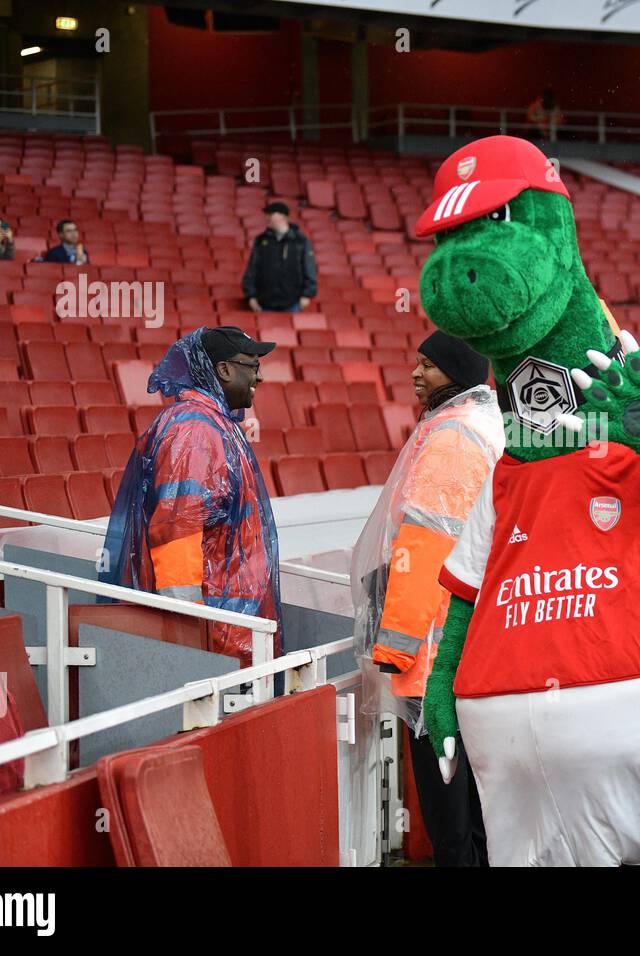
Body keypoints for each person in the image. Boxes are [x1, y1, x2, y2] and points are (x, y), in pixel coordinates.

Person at [350, 331, 503, 866]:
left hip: (435, 658)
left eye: (428, 367)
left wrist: (394, 647)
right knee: (482, 809)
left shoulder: (452, 439)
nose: (416, 374)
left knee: (450, 821)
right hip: (473, 648)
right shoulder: (483, 424)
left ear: (456, 374)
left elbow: (422, 546)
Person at [100, 326, 283, 664]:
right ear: (224, 370)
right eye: (253, 366)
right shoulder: (195, 432)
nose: (260, 376)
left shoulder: (214, 425)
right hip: (214, 638)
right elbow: (176, 533)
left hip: (229, 629)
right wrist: (188, 642)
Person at [241, 201, 317, 313]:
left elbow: (310, 268)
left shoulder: (300, 241)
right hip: (264, 304)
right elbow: (252, 269)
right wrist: (251, 296)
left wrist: (307, 295)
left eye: (271, 214)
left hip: (292, 304)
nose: (267, 217)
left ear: (282, 216)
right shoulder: (261, 240)